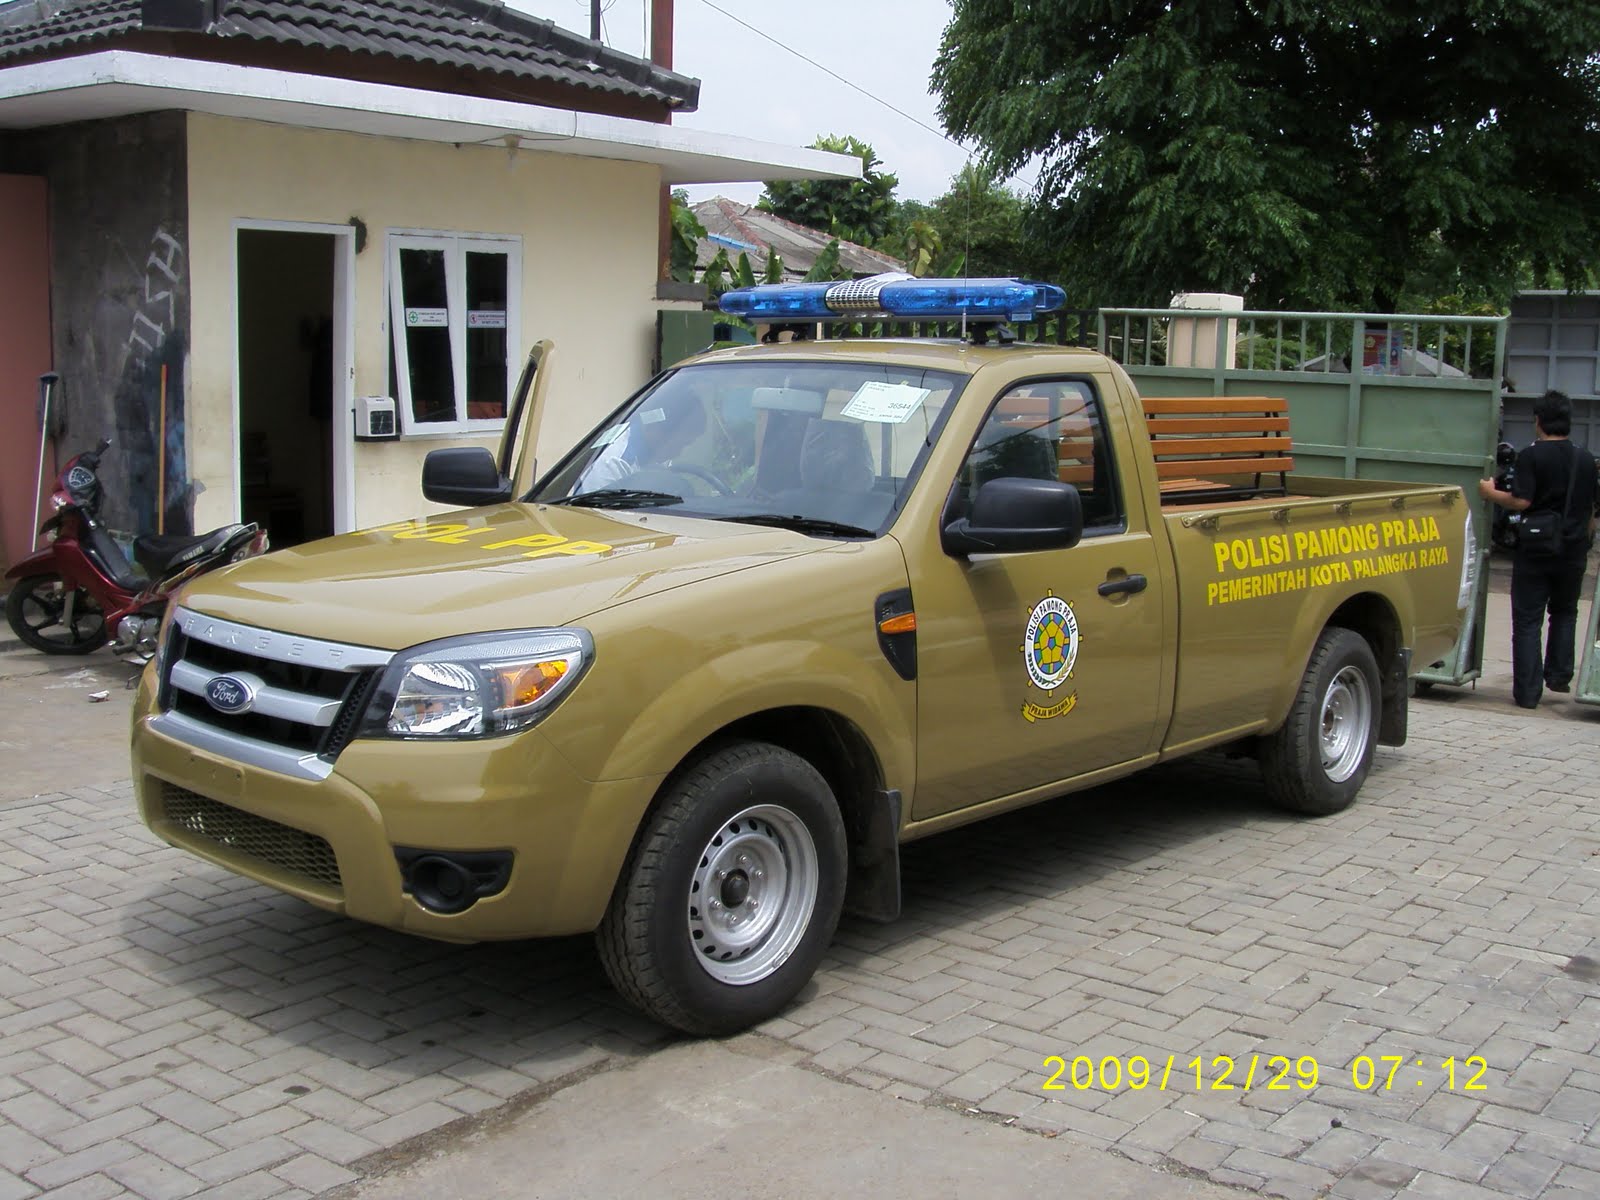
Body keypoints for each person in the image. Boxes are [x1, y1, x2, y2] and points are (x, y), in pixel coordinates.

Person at [1478, 390, 1598, 708]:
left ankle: (1528, 693)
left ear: (1538, 421)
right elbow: (1592, 512)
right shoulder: (1585, 459)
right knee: (1565, 612)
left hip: (1536, 549)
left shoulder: (1532, 456)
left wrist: (1490, 494)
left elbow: (1521, 500)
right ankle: (1558, 676)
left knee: (1528, 620)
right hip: (1573, 550)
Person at [574, 389, 707, 492]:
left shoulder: (655, 447)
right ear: (655, 431)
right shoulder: (612, 463)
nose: (679, 453)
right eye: (681, 444)